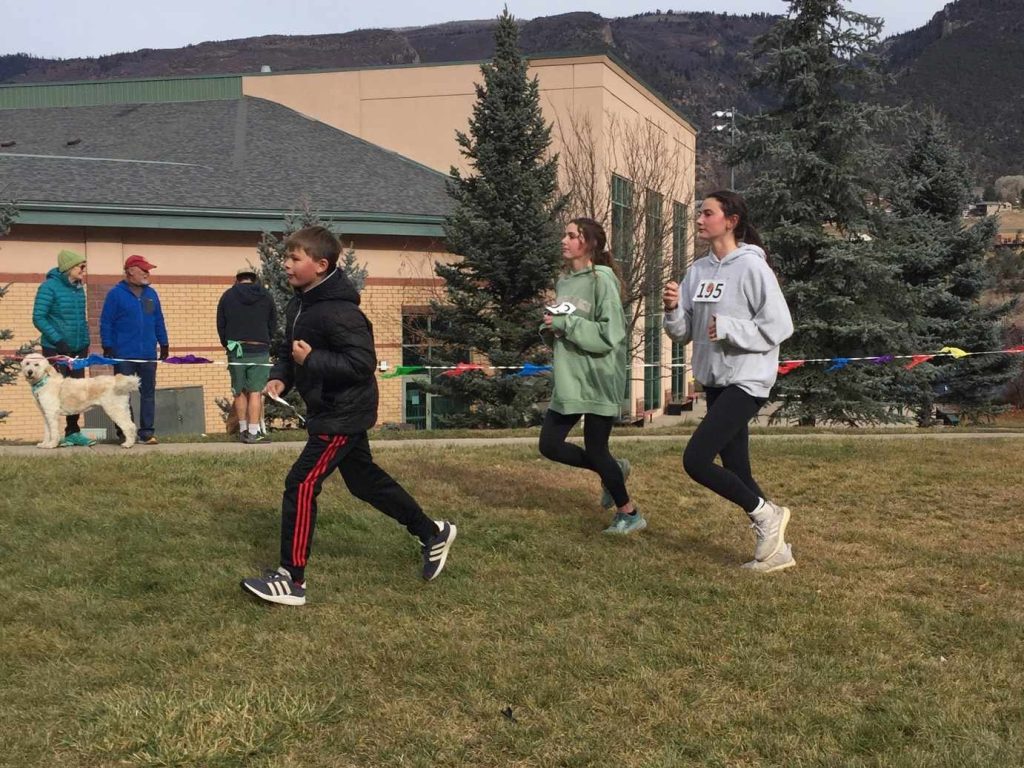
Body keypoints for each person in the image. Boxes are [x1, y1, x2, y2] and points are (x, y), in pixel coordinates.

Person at [241, 226, 457, 606]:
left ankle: (291, 579)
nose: (286, 264)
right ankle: (432, 533)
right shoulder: (299, 305)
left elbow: (361, 364)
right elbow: (289, 352)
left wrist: (313, 359)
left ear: (321, 265)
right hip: (329, 409)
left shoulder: (341, 312)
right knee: (363, 482)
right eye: (287, 257)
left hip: (343, 412)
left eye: (294, 258)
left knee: (301, 483)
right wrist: (280, 378)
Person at [663, 190, 795, 573]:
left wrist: (730, 328)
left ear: (731, 221)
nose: (699, 220)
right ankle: (777, 551)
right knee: (738, 470)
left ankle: (768, 515)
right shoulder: (697, 272)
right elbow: (682, 332)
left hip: (747, 380)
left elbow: (780, 326)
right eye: (699, 214)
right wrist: (672, 309)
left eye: (708, 213)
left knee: (696, 460)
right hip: (714, 381)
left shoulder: (752, 267)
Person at [538, 217, 642, 534]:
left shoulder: (603, 281)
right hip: (570, 377)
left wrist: (565, 325)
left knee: (597, 449)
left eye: (572, 235)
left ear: (590, 243)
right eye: (565, 234)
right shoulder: (564, 282)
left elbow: (610, 334)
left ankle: (630, 514)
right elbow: (564, 326)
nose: (564, 240)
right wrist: (550, 327)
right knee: (549, 445)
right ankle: (613, 469)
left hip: (599, 376)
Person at [100, 254, 169, 445]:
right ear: (131, 271)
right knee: (122, 395)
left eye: (148, 270)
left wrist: (164, 343)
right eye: (144, 270)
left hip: (147, 354)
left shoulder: (151, 294)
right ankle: (125, 432)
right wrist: (107, 344)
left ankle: (147, 433)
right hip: (124, 354)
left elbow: (158, 320)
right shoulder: (115, 294)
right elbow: (106, 321)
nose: (147, 273)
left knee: (148, 393)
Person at [32, 248, 94, 447]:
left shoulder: (78, 288)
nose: (83, 270)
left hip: (78, 348)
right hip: (55, 348)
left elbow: (81, 318)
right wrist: (58, 340)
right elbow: (38, 317)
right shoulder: (49, 287)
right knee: (55, 392)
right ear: (69, 267)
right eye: (81, 266)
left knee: (76, 391)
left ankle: (73, 432)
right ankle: (53, 436)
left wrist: (85, 340)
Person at [217, 266, 276, 444]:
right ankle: (253, 432)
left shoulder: (227, 296)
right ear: (254, 279)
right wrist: (266, 340)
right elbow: (273, 322)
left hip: (236, 349)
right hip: (259, 348)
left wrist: (227, 344)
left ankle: (243, 430)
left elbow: (221, 323)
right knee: (255, 392)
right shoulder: (266, 296)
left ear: (237, 279)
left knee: (239, 391)